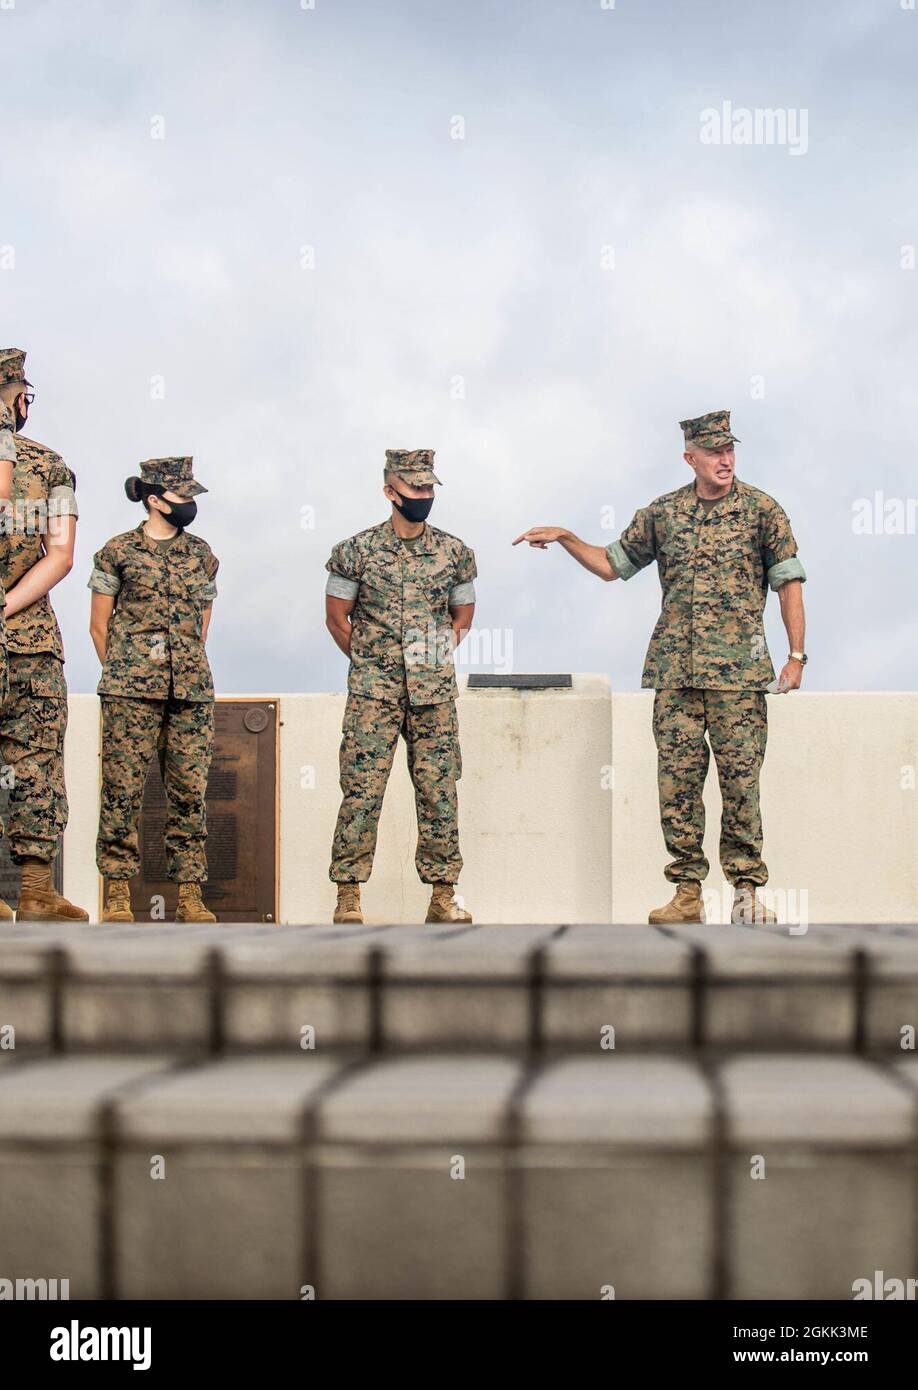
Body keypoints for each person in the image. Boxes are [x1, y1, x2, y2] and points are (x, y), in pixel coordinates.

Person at [514, 410, 807, 926]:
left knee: (741, 783)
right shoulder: (664, 514)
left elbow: (789, 584)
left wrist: (796, 656)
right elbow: (612, 564)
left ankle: (745, 892)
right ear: (689, 457)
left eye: (730, 450)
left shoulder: (763, 511)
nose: (725, 459)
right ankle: (687, 892)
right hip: (674, 674)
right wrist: (566, 537)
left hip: (739, 677)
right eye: (714, 452)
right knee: (677, 783)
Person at [325, 448, 476, 924]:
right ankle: (348, 894)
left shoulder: (455, 553)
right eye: (415, 489)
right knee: (362, 790)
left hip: (432, 697)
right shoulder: (355, 551)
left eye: (429, 488)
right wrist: (375, 664)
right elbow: (336, 619)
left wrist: (428, 660)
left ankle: (443, 895)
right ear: (390, 492)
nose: (424, 496)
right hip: (374, 694)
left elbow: (462, 618)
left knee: (439, 790)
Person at [88, 457, 219, 924]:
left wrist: (179, 669)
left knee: (189, 792)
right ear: (154, 500)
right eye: (182, 497)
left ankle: (188, 895)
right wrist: (127, 675)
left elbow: (201, 628)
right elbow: (98, 627)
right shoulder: (115, 552)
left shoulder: (202, 555)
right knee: (122, 792)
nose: (189, 505)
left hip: (189, 692)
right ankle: (118, 892)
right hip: (129, 692)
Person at [0, 348, 88, 922]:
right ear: (19, 394)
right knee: (34, 760)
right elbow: (60, 554)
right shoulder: (50, 465)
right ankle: (35, 891)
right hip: (26, 634)